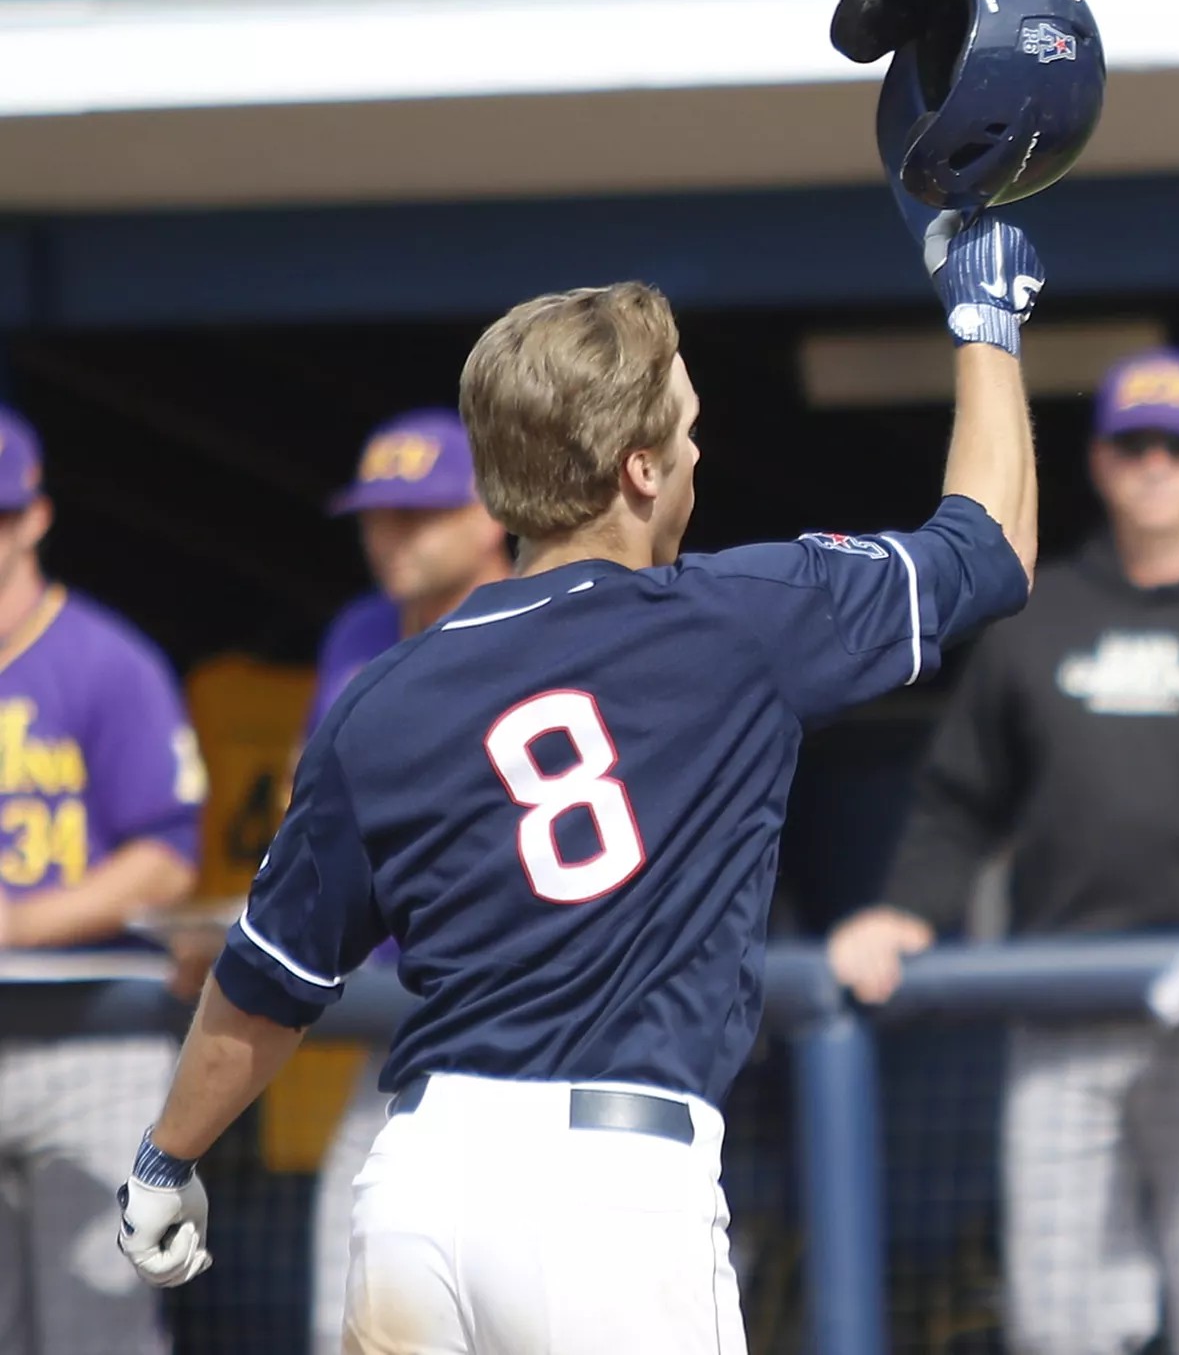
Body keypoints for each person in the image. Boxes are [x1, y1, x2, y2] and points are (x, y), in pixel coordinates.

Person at [115, 234, 1042, 1352]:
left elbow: (266, 986)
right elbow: (991, 547)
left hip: (419, 1182)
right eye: (687, 427)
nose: (697, 448)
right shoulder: (740, 617)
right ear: (638, 469)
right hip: (612, 1191)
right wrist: (985, 320)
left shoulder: (384, 694)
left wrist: (168, 1154)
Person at [827, 345, 1179, 1355]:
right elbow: (960, 798)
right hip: (1067, 1016)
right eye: (1132, 444)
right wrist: (906, 907)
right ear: (1096, 462)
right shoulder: (1033, 615)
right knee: (1057, 1326)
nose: (1154, 465)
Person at [0, 407, 208, 1355]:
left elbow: (166, 853)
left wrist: (22, 922)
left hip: (92, 1026)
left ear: (34, 515)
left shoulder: (108, 660)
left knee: (98, 1332)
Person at [305, 408, 511, 1355]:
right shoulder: (357, 632)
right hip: (396, 1043)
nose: (390, 536)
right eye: (378, 515)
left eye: (418, 513)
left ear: (491, 513)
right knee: (349, 1321)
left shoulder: (547, 620)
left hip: (533, 1033)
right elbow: (322, 829)